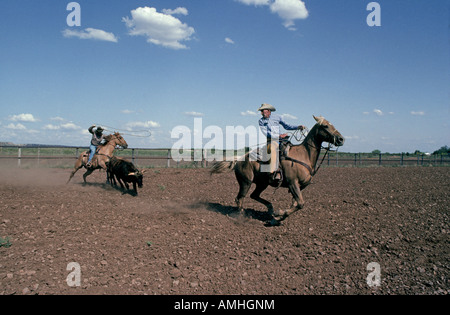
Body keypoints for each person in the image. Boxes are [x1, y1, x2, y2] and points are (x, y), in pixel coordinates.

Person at [258, 103, 305, 182]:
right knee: (273, 150)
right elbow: (266, 133)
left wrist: (297, 127)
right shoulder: (261, 121)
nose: (262, 113)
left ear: (269, 111)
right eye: (261, 111)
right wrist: (279, 136)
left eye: (263, 111)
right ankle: (274, 171)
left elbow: (287, 126)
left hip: (282, 140)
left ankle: (293, 170)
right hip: (271, 140)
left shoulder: (277, 117)